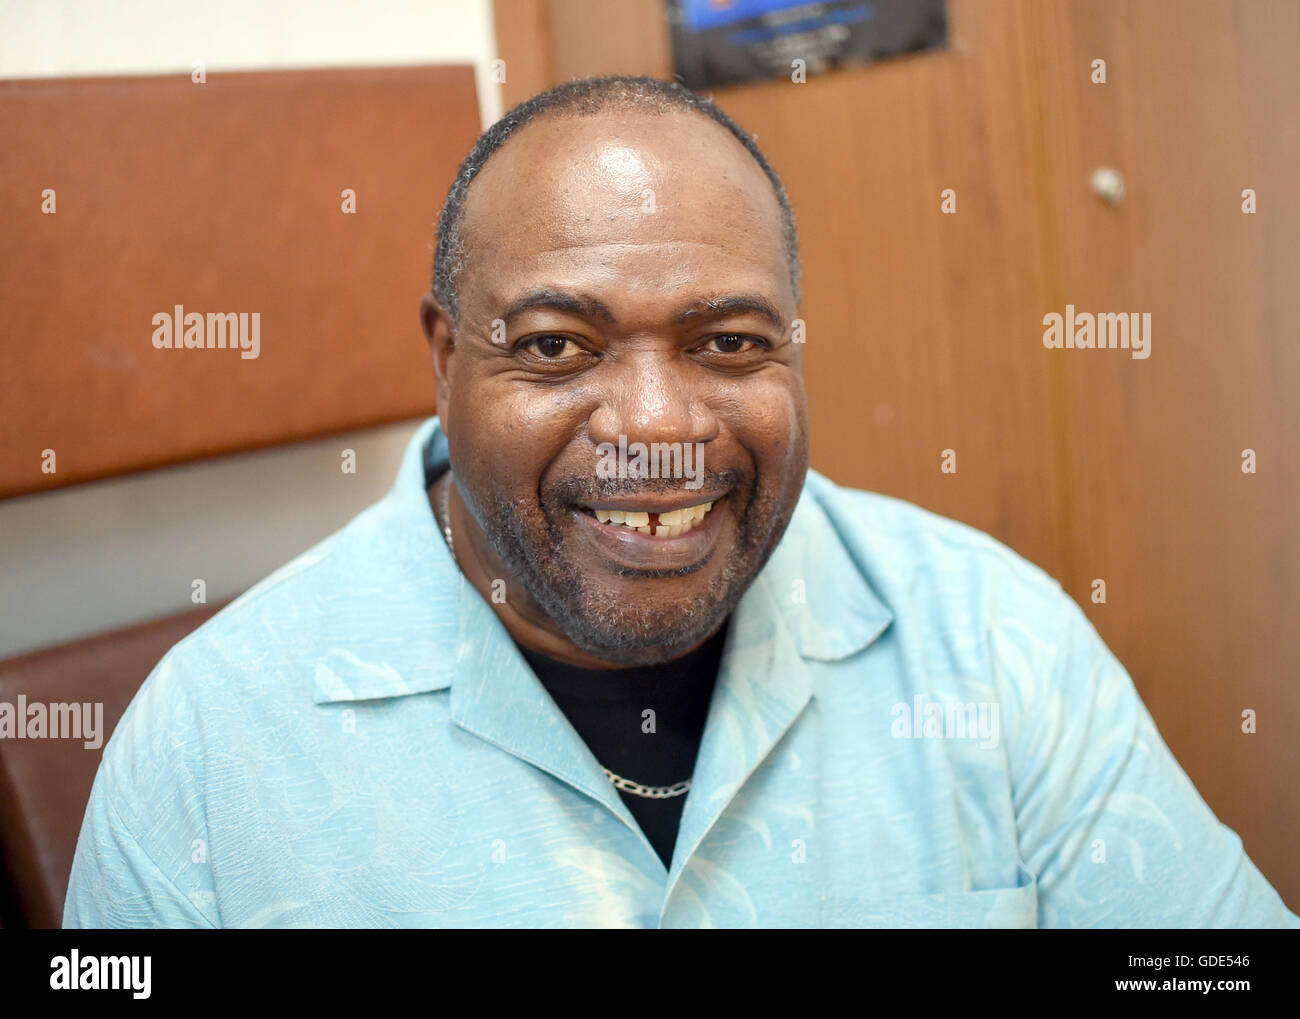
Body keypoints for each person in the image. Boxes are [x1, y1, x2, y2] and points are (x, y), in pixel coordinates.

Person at [65, 75, 1296, 928]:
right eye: (554, 346)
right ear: (444, 363)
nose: (656, 428)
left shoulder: (991, 643)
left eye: (727, 343)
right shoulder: (208, 752)